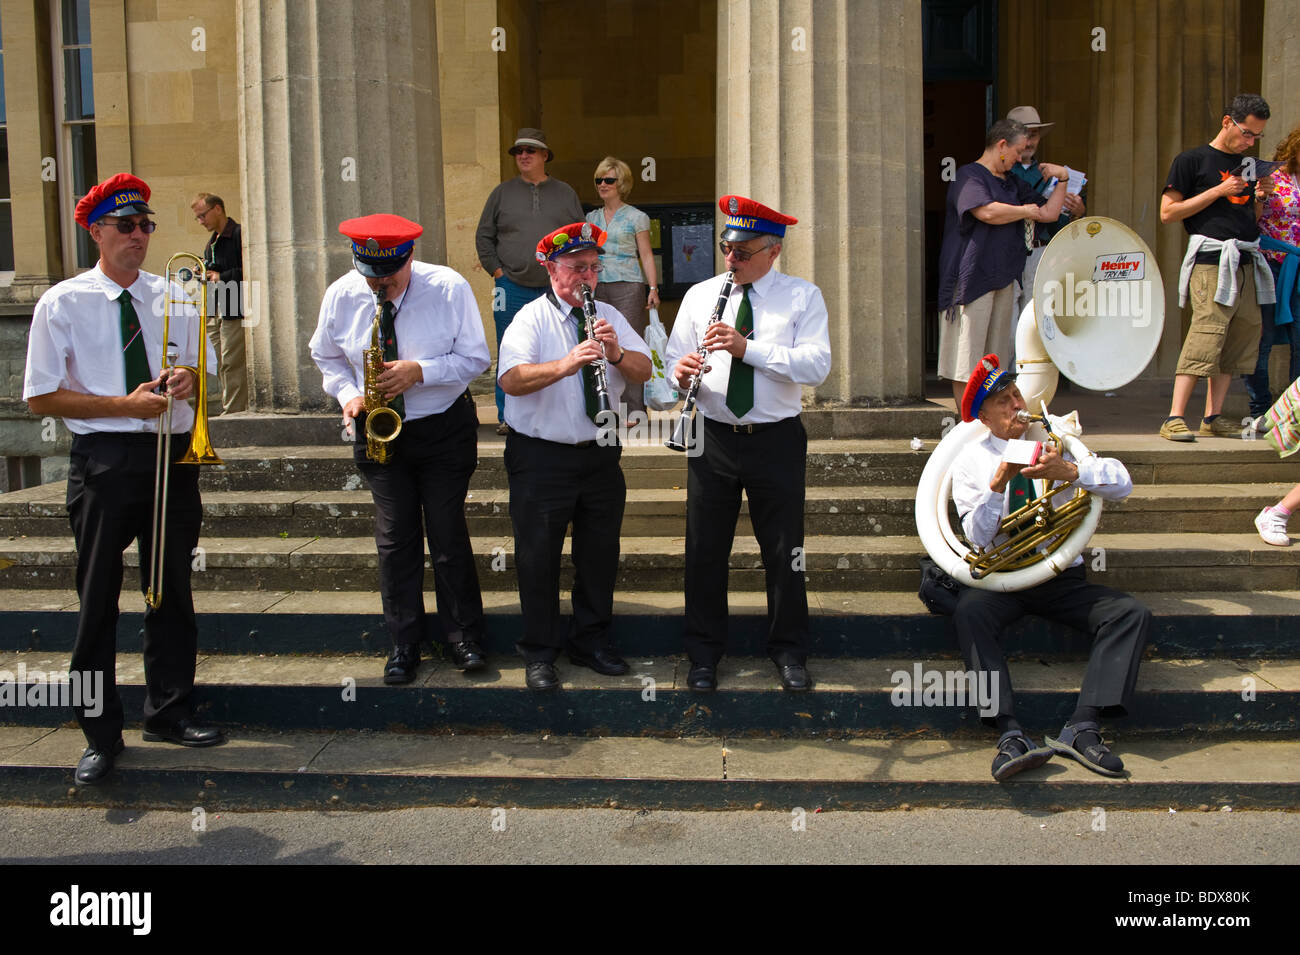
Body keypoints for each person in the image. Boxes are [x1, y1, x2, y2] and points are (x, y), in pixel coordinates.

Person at [23, 173, 225, 786]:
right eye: (126, 227)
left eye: (146, 227)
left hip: (169, 458)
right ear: (97, 232)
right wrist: (122, 406)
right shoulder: (62, 301)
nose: (138, 237)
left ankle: (168, 710)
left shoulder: (175, 292)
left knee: (170, 594)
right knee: (97, 602)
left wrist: (190, 379)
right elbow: (40, 399)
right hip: (105, 461)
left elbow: (205, 364)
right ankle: (98, 732)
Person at [309, 214, 492, 685]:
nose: (379, 285)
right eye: (370, 274)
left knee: (447, 533)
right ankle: (404, 642)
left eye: (388, 276)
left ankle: (464, 637)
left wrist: (419, 371)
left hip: (442, 426)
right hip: (376, 426)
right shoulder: (343, 292)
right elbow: (325, 355)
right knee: (394, 539)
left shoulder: (448, 287)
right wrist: (350, 396)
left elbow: (476, 357)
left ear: (409, 257)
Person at [950, 356, 1151, 780]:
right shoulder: (970, 461)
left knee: (1129, 612)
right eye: (1003, 402)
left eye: (1016, 395)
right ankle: (1009, 733)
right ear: (983, 417)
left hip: (1060, 573)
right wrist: (999, 481)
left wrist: (1071, 471)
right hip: (1005, 577)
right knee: (969, 612)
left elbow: (1122, 481)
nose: (1015, 405)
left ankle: (1083, 725)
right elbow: (979, 539)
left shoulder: (1057, 436)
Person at [665, 196, 831, 693]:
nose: (731, 260)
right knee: (704, 549)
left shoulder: (803, 297)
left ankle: (788, 650)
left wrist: (747, 349)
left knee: (784, 550)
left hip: (775, 438)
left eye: (743, 252)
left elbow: (816, 365)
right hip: (712, 434)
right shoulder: (700, 295)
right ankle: (703, 654)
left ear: (772, 251)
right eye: (726, 250)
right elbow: (673, 358)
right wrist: (679, 372)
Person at [498, 222, 652, 690]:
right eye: (576, 269)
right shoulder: (530, 318)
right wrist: (568, 363)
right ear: (550, 268)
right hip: (542, 456)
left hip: (601, 450)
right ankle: (541, 651)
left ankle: (590, 640)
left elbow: (646, 368)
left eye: (593, 268)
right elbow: (510, 380)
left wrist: (616, 351)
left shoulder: (608, 313)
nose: (587, 277)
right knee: (538, 556)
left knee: (599, 553)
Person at [1159, 93, 1277, 442]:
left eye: (1257, 137)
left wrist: (1260, 198)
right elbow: (1168, 212)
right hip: (1211, 260)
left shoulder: (1249, 165)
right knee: (1206, 332)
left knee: (1238, 336)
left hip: (1244, 258)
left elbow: (1247, 219)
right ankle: (1174, 417)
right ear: (1227, 122)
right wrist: (1219, 190)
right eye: (1246, 133)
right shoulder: (1192, 160)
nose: (1250, 141)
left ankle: (1212, 416)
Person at [937, 118, 1068, 407]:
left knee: (992, 364)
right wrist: (1023, 211)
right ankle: (965, 424)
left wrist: (1063, 179)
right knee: (967, 360)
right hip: (971, 279)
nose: (1021, 158)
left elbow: (1047, 213)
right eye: (1018, 151)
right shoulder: (968, 176)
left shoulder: (1012, 182)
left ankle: (988, 424)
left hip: (1005, 277)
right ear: (1001, 146)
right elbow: (987, 212)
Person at [476, 128, 584, 435]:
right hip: (509, 286)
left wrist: (572, 274)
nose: (523, 155)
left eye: (531, 151)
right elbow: (484, 236)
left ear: (545, 156)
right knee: (509, 345)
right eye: (519, 151)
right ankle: (507, 415)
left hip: (557, 288)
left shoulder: (565, 193)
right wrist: (497, 271)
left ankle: (563, 411)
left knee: (563, 345)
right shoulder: (501, 193)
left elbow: (578, 236)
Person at [586, 156, 660, 417]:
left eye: (609, 180)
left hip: (628, 284)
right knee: (598, 343)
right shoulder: (590, 217)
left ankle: (634, 409)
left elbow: (646, 254)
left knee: (628, 346)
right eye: (599, 180)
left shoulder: (637, 217)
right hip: (596, 285)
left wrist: (653, 288)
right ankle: (606, 404)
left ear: (622, 183)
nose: (603, 184)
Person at [1005, 106, 1087, 321]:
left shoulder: (1051, 172)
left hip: (1042, 251)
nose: (1029, 142)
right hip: (1007, 250)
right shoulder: (1001, 171)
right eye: (1024, 136)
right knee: (1007, 325)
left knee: (1037, 321)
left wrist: (1077, 211)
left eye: (1034, 135)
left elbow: (1060, 226)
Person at [1243, 122, 1300, 429]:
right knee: (1261, 338)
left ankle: (1292, 413)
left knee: (1299, 340)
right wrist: (1260, 197)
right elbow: (1250, 220)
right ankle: (1260, 406)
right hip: (1271, 263)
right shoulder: (1271, 178)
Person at [191, 192, 247, 414]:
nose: (200, 221)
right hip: (217, 308)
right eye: (197, 218)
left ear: (217, 209)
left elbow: (253, 271)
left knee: (231, 362)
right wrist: (203, 272)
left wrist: (219, 277)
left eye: (202, 215)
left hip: (235, 308)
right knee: (221, 363)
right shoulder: (212, 242)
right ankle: (230, 407)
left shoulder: (239, 234)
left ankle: (234, 411)